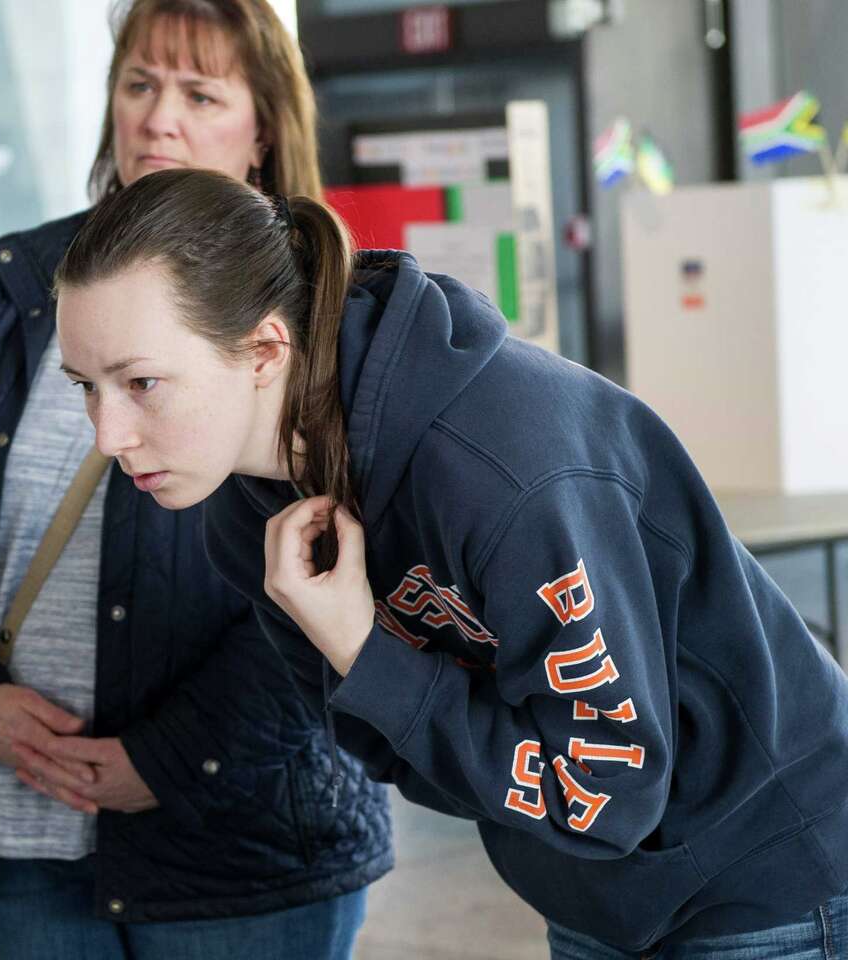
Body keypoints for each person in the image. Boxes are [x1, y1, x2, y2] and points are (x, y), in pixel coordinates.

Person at [52, 166, 848, 959]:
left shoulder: (506, 470)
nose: (108, 435)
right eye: (87, 386)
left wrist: (367, 651)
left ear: (264, 348)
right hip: (586, 881)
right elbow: (406, 758)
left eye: (143, 382)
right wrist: (384, 678)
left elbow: (604, 796)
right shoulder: (243, 508)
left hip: (763, 870)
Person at [0, 3, 392, 959]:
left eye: (201, 93)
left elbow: (352, 568)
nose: (161, 119)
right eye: (140, 85)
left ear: (264, 127)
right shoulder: (14, 279)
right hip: (32, 832)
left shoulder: (323, 306)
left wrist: (167, 757)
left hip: (243, 847)